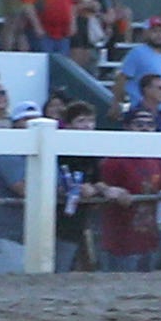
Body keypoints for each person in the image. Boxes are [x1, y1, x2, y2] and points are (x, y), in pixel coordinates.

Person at [97, 107, 161, 272]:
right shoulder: (114, 160)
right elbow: (99, 185)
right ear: (127, 127)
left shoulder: (154, 160)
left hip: (149, 239)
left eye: (150, 125)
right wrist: (109, 190)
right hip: (120, 242)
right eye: (139, 125)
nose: (145, 129)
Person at [55, 100, 107, 272]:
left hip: (81, 218)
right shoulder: (60, 150)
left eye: (91, 121)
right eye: (81, 121)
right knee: (60, 264)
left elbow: (98, 179)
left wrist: (99, 188)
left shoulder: (92, 152)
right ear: (68, 125)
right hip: (61, 219)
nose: (87, 125)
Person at [0, 99, 44, 272]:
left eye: (35, 119)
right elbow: (23, 188)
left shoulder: (46, 153)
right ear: (16, 123)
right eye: (26, 119)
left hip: (31, 231)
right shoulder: (8, 154)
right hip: (8, 233)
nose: (31, 124)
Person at [108, 16, 161, 119]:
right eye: (154, 31)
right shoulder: (138, 52)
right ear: (146, 33)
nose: (159, 35)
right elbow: (122, 78)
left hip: (160, 109)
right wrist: (116, 103)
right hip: (141, 109)